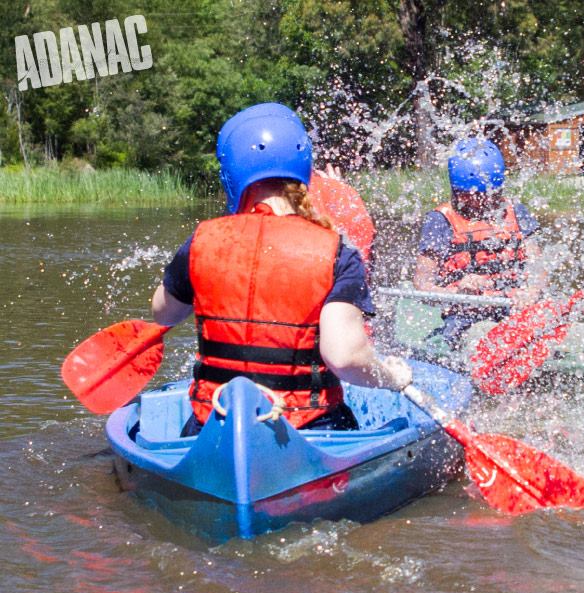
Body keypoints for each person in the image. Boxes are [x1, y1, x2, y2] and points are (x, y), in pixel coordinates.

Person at [150, 102, 412, 436]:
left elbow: (164, 313)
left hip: (214, 421)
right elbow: (344, 358)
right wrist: (391, 377)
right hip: (310, 425)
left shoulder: (202, 240)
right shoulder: (338, 252)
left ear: (231, 175)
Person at [412, 138, 544, 348]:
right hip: (467, 316)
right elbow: (422, 284)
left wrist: (531, 292)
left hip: (515, 308)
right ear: (457, 191)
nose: (482, 202)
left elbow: (539, 267)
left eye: (489, 194)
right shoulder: (440, 221)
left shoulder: (516, 212)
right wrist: (458, 291)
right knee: (486, 337)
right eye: (471, 196)